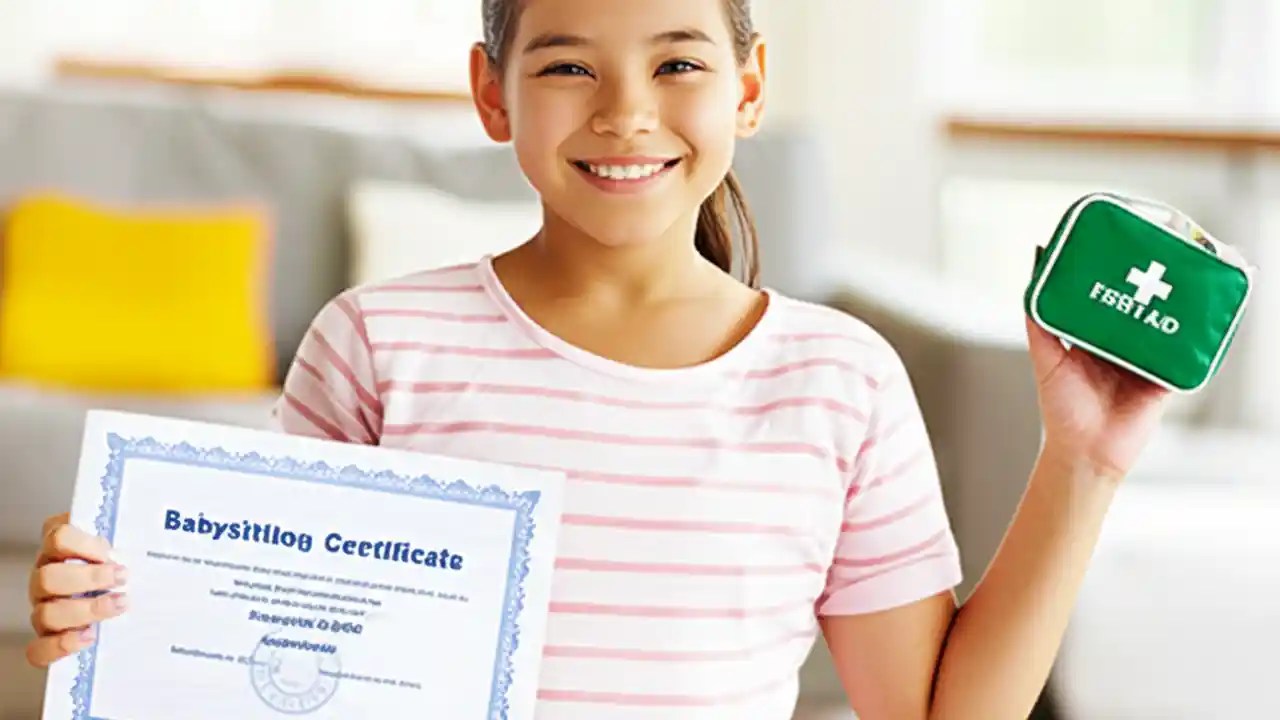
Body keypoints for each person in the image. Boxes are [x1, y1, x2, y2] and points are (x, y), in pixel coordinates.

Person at [24, 0, 1170, 717]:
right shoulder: (378, 342)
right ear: (491, 94)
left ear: (749, 88)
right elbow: (270, 657)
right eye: (568, 66)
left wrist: (1082, 461)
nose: (626, 112)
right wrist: (116, 614)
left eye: (677, 64)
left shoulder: (838, 379)